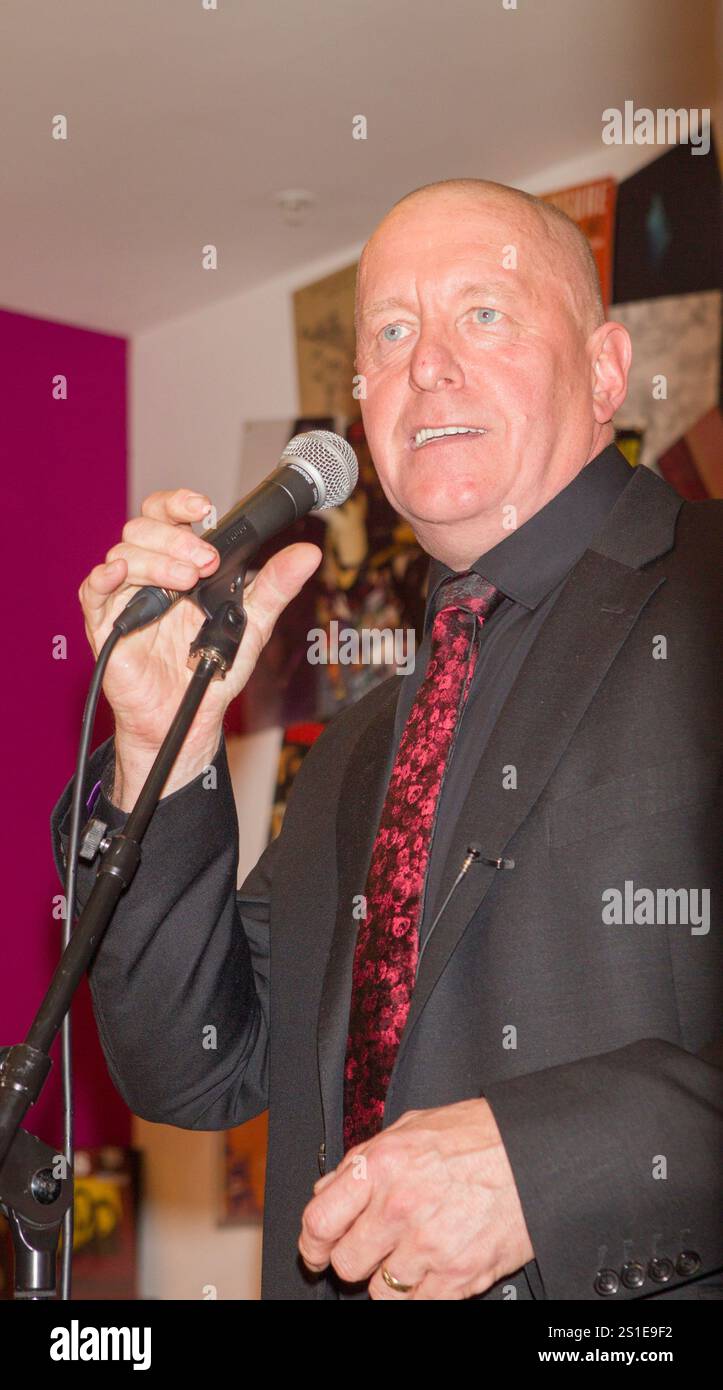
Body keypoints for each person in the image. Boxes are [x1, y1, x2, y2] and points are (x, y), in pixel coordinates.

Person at [51, 178, 723, 1302]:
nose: (427, 363)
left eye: (486, 313)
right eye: (393, 332)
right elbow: (193, 1065)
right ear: (360, 403)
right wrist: (156, 746)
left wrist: (547, 1169)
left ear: (608, 369)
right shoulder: (366, 744)